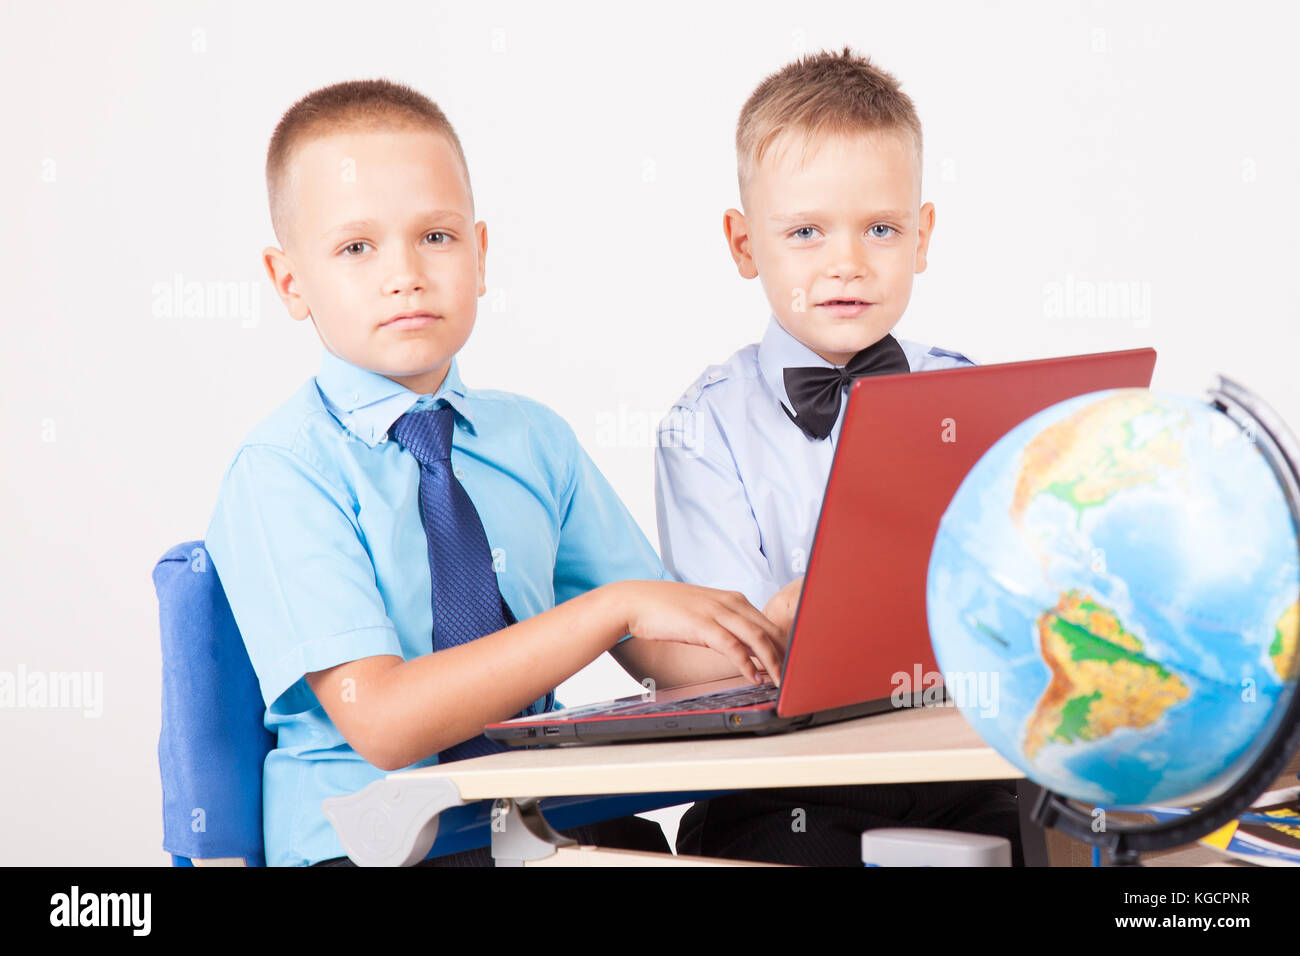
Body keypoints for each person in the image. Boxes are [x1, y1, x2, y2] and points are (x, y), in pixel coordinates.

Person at [204, 78, 786, 867]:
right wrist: (613, 609)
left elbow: (668, 659)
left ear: (480, 255)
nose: (404, 273)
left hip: (540, 823)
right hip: (374, 845)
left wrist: (784, 621)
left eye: (436, 238)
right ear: (289, 283)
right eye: (356, 247)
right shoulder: (282, 472)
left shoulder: (533, 442)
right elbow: (385, 722)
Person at [654, 48, 1025, 866]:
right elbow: (734, 659)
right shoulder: (703, 427)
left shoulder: (966, 394)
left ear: (921, 237)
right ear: (745, 244)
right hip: (782, 784)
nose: (846, 262)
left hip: (953, 761)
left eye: (881, 229)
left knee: (1043, 835)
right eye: (805, 232)